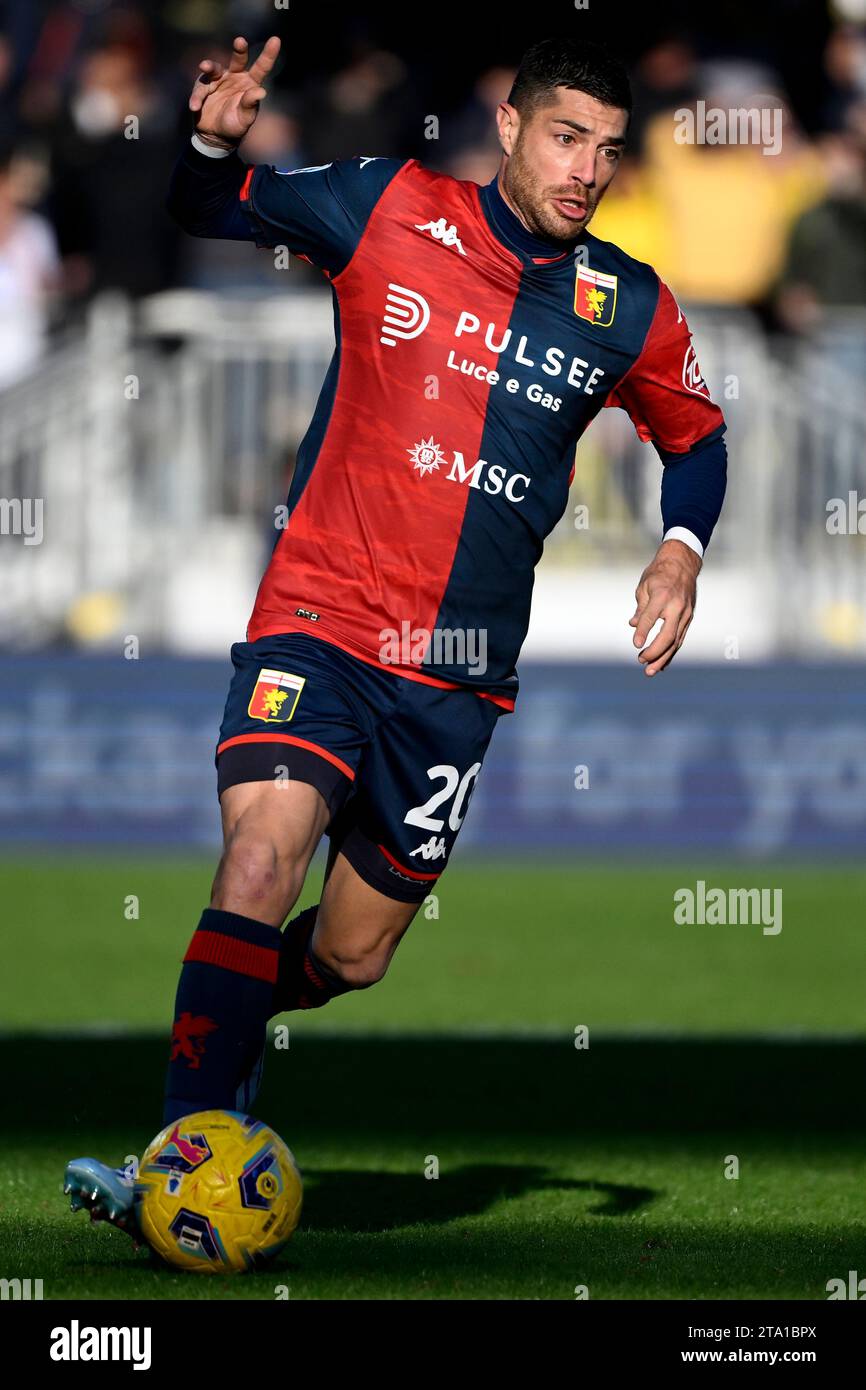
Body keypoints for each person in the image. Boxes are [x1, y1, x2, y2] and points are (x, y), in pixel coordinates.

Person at [64, 33, 726, 1239]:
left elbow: (696, 439)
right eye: (566, 137)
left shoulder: (624, 303)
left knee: (354, 955)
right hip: (318, 622)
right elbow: (207, 201)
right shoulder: (386, 205)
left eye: (609, 151)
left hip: (457, 681)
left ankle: (227, 1020)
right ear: (511, 128)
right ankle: (171, 1155)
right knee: (258, 865)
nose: (586, 169)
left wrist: (679, 550)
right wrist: (213, 132)